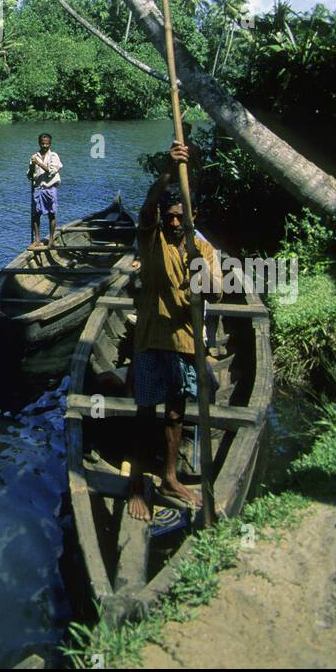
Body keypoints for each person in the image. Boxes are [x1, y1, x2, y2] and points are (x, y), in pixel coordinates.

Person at [127, 141, 223, 522]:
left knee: (175, 414)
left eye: (180, 218)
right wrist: (169, 168)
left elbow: (214, 290)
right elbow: (148, 205)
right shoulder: (152, 239)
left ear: (192, 216)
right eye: (168, 217)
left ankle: (169, 478)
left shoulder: (202, 249)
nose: (173, 224)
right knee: (145, 411)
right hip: (151, 338)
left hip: (185, 340)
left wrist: (199, 262)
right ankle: (137, 481)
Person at [27, 133, 62, 249]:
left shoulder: (53, 156)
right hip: (38, 189)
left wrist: (38, 163)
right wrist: (32, 165)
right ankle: (37, 240)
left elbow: (51, 171)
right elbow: (30, 176)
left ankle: (51, 240)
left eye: (47, 144)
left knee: (51, 214)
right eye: (42, 143)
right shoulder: (34, 156)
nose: (45, 146)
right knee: (36, 215)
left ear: (50, 143)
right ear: (39, 143)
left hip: (50, 189)